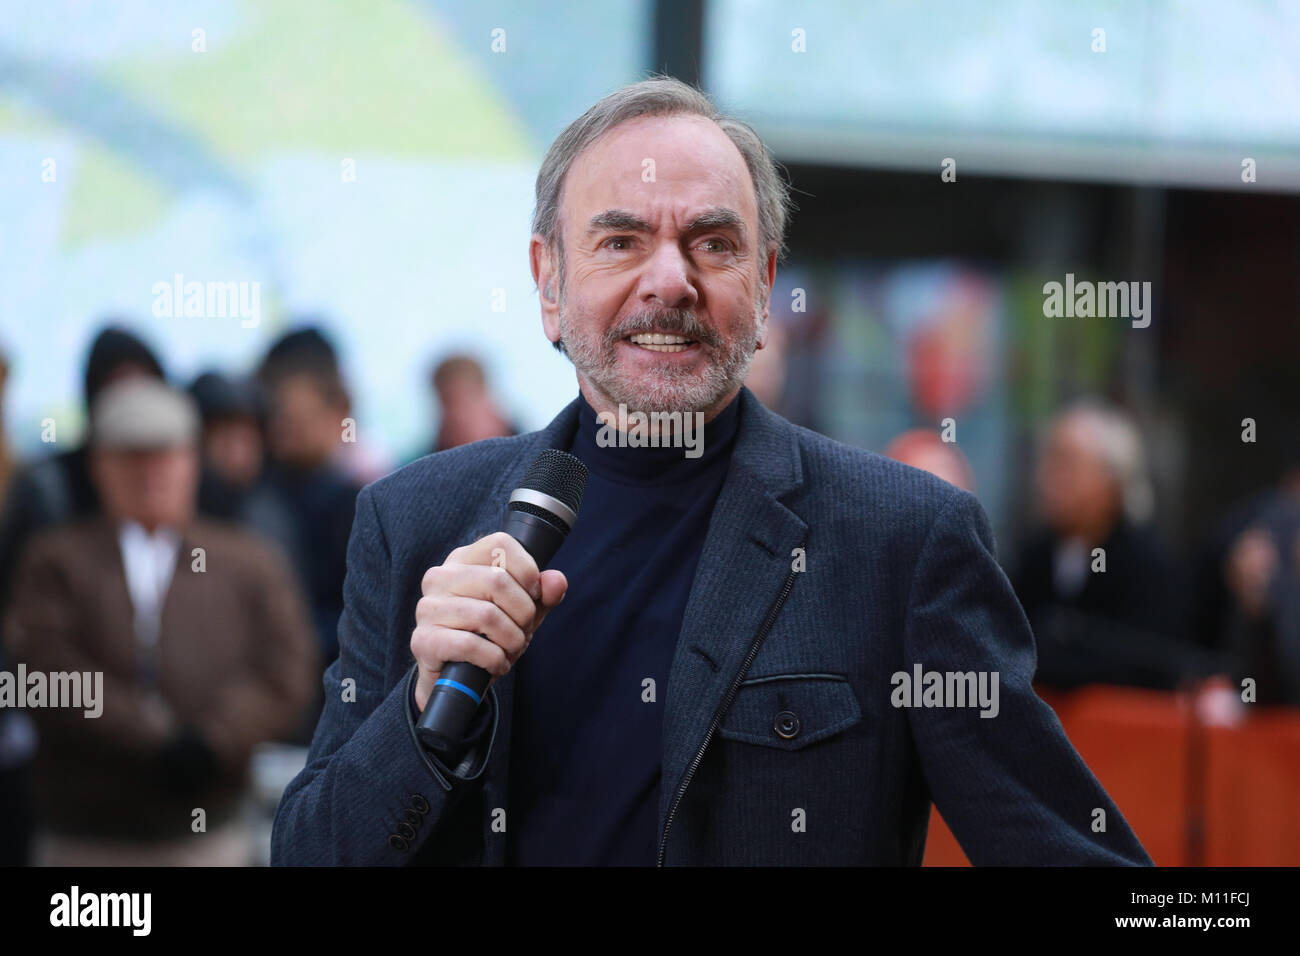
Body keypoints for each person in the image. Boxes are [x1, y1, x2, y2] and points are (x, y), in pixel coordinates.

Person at [272, 76, 1152, 866]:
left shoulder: (904, 542)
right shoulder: (414, 522)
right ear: (548, 283)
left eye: (712, 243)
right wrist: (425, 710)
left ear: (765, 286)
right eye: (620, 241)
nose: (670, 279)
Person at [5, 379, 317, 865]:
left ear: (192, 461)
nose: (152, 473)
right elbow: (44, 670)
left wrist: (214, 740)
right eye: (132, 457)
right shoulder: (56, 561)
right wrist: (154, 739)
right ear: (99, 466)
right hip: (86, 838)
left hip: (210, 833)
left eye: (166, 455)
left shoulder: (247, 561)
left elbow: (286, 668)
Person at [428, 355, 518, 453]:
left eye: (464, 403)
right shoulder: (419, 465)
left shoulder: (534, 457)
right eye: (447, 405)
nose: (456, 415)